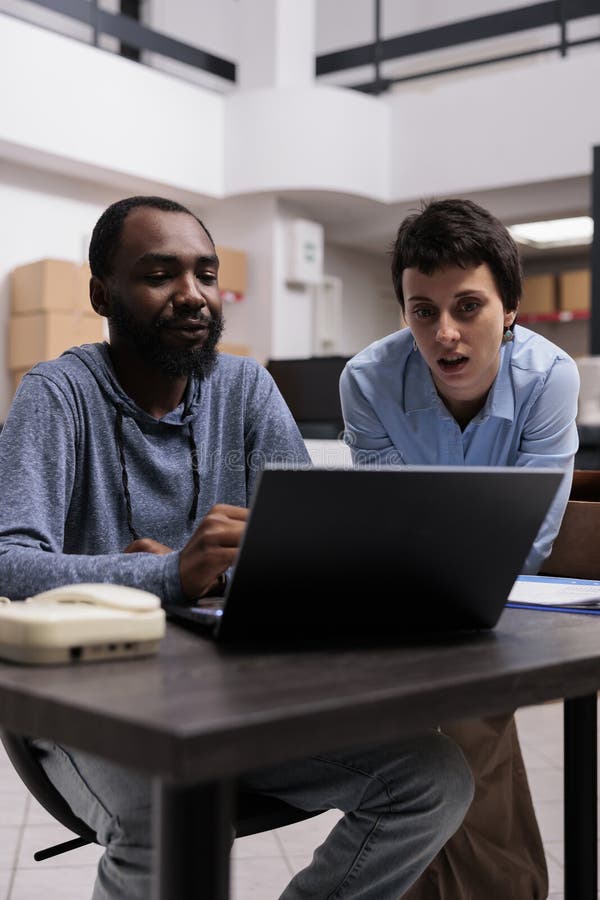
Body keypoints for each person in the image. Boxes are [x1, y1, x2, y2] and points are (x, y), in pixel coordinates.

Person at [0, 195, 474, 900]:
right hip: (89, 698)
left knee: (432, 778)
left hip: (229, 690)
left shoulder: (245, 388)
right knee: (169, 824)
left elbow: (308, 545)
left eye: (205, 273)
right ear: (102, 294)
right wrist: (172, 573)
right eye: (159, 275)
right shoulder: (57, 393)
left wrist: (256, 563)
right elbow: (9, 563)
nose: (193, 294)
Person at [340, 197, 580, 900]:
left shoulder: (549, 377)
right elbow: (388, 527)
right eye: (423, 311)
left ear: (509, 311)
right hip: (404, 597)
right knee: (410, 735)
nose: (444, 333)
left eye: (468, 306)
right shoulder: (368, 381)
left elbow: (532, 533)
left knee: (469, 720)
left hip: (508, 594)